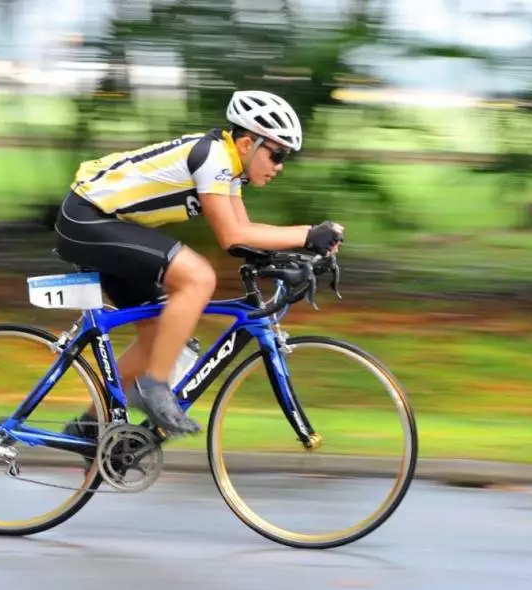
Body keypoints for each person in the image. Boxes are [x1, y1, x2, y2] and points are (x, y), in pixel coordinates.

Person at [54, 89, 344, 438]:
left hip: (108, 224)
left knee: (159, 338)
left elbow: (246, 235)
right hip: (86, 218)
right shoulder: (214, 158)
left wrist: (300, 254)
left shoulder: (230, 171)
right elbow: (233, 236)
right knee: (198, 278)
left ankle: (88, 427)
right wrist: (308, 234)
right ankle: (154, 388)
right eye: (277, 154)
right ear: (246, 144)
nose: (280, 167)